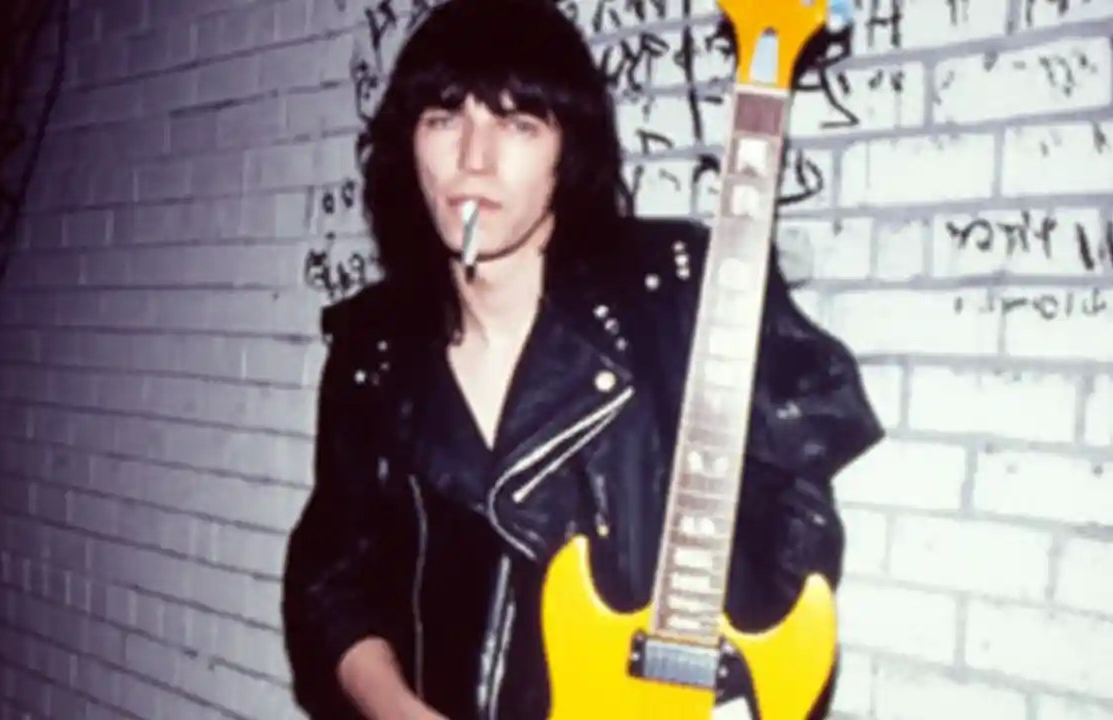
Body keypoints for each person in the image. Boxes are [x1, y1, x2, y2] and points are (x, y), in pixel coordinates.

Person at [281, 1, 883, 718]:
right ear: (409, 144)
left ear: (568, 152)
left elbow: (794, 515)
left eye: (518, 124)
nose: (473, 158)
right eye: (443, 119)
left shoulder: (677, 294)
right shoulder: (376, 350)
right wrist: (398, 709)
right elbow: (332, 581)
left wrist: (731, 684)